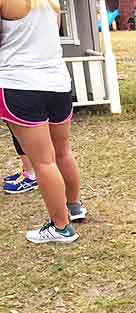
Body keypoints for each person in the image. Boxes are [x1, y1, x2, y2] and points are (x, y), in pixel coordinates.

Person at [0, 0, 87, 244]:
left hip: (20, 85)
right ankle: (74, 206)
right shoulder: (51, 3)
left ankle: (61, 227)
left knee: (43, 162)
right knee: (62, 153)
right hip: (57, 84)